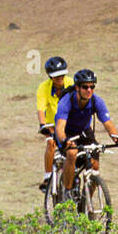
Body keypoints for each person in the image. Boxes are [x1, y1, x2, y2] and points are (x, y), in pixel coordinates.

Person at [54, 68, 118, 200]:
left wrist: (116, 137)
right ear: (77, 88)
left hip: (84, 132)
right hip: (66, 132)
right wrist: (65, 141)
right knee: (72, 153)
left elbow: (107, 122)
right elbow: (59, 128)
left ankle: (87, 201)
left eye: (92, 87)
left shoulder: (96, 101)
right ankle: (67, 192)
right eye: (85, 87)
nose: (89, 90)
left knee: (95, 164)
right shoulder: (66, 101)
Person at [36, 56, 73, 192]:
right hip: (52, 123)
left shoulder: (71, 83)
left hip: (69, 122)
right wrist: (42, 125)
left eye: (62, 75)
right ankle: (48, 177)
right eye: (56, 76)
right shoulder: (43, 88)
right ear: (50, 77)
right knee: (51, 143)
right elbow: (41, 109)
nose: (60, 78)